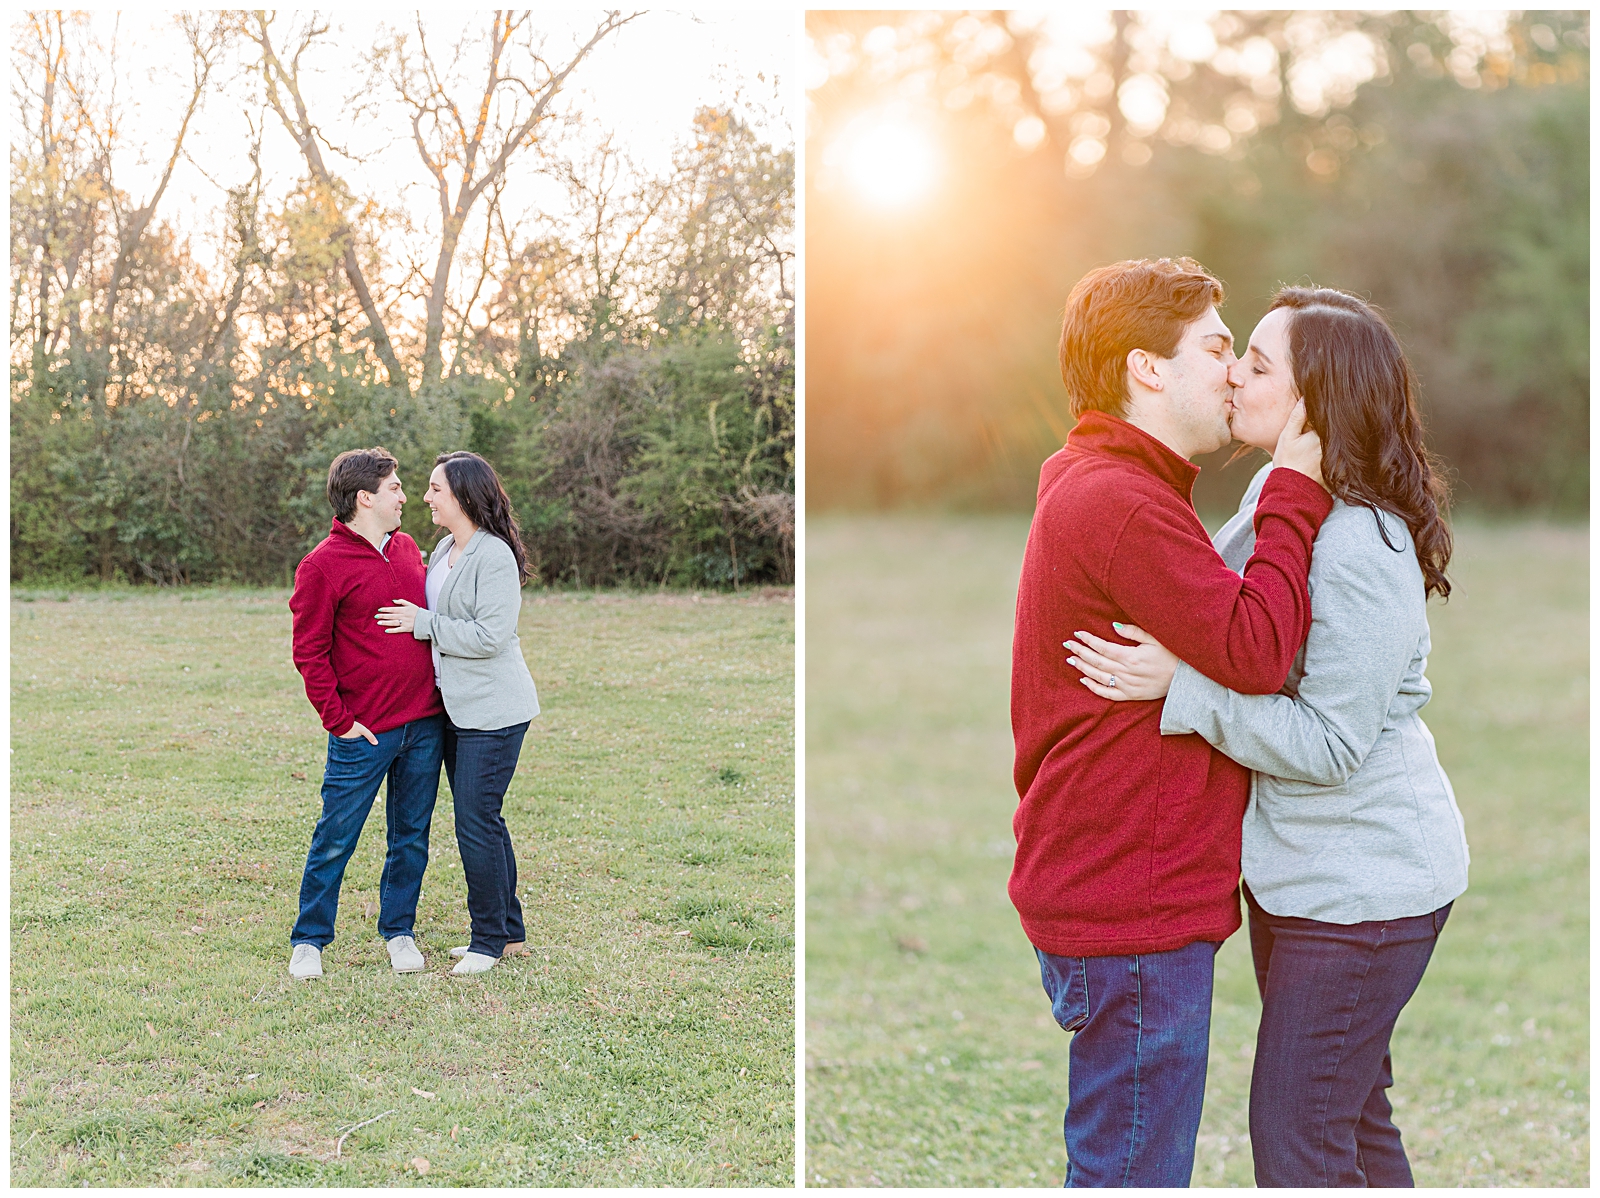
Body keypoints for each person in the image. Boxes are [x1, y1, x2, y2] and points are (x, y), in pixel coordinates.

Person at [1064, 287, 1469, 1187]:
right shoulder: (1277, 493)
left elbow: (1330, 745)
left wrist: (1183, 688)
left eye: (1255, 364)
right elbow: (1234, 621)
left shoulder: (1362, 545)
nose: (1233, 378)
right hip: (1301, 877)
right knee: (1351, 1122)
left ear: (1312, 403)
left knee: (1298, 1140)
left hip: (1367, 889)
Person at [1010, 257, 1334, 1187]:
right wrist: (1293, 488)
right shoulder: (1119, 499)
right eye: (1217, 348)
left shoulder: (1106, 480)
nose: (1234, 371)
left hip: (1120, 893)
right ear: (1147, 368)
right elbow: (1258, 648)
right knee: (1132, 1176)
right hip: (1131, 906)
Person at [376, 451, 540, 977]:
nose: (425, 497)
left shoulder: (494, 556)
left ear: (464, 496)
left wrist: (423, 623)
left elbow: (491, 636)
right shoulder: (447, 547)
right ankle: (509, 932)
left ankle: (487, 941)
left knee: (474, 824)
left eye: (435, 489)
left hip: (494, 712)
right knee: (484, 820)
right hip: (454, 708)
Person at [287, 447, 444, 981]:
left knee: (411, 837)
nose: (405, 496)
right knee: (336, 837)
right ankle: (309, 940)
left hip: (424, 725)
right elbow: (309, 652)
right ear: (365, 498)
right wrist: (340, 721)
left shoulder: (408, 548)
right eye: (395, 488)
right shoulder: (321, 565)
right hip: (364, 733)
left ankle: (399, 932)